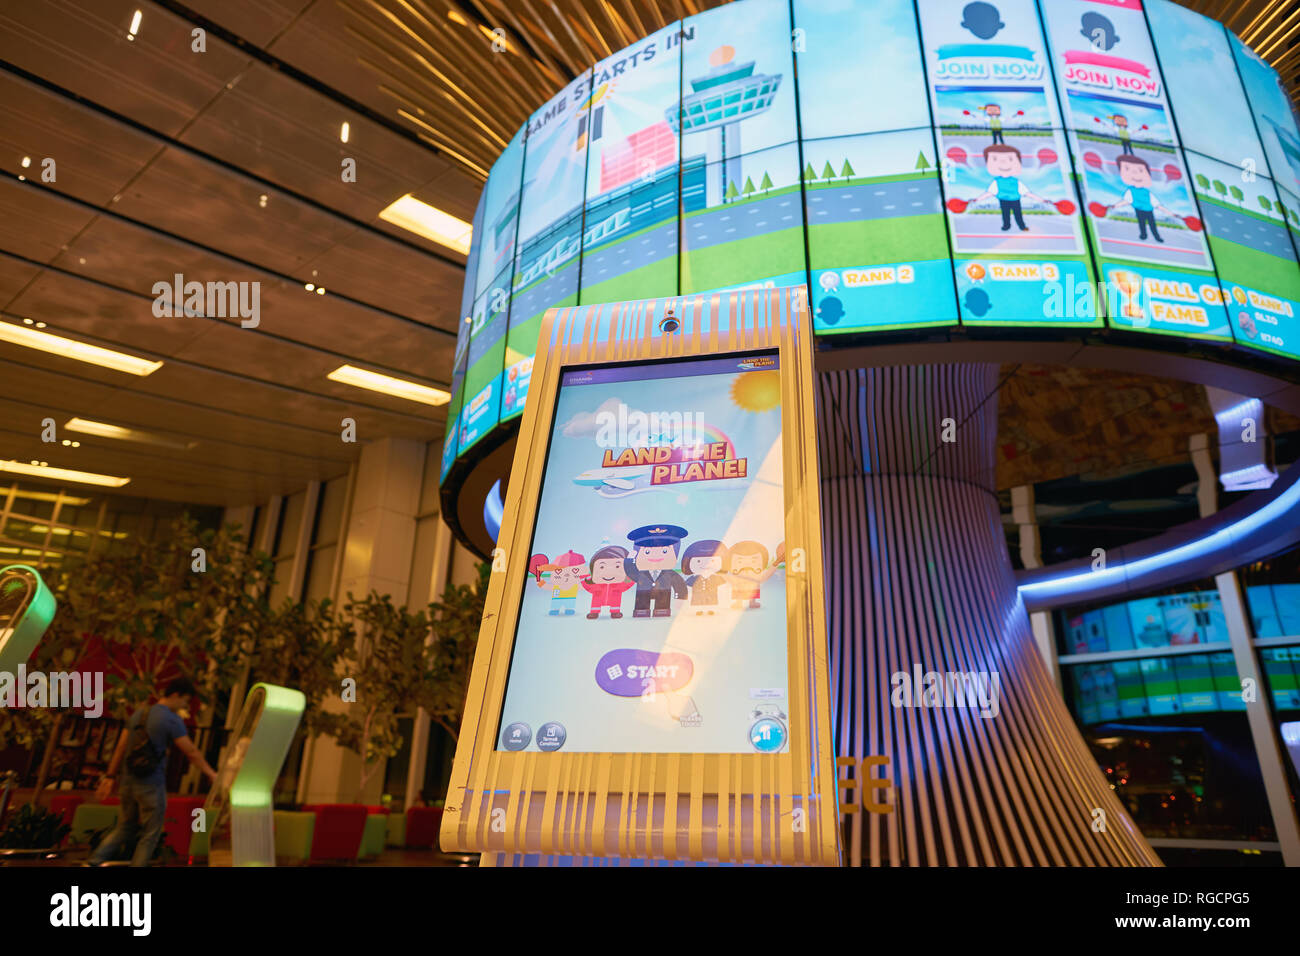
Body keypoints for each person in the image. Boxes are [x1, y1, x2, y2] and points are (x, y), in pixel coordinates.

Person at [90, 677, 217, 866]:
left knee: (125, 827)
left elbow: (120, 747)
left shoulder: (138, 715)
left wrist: (110, 776)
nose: (185, 706)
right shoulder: (171, 719)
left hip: (127, 781)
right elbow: (191, 751)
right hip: (150, 781)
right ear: (176, 695)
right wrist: (211, 773)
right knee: (150, 833)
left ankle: (94, 861)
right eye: (185, 700)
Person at [624, 524, 689, 618]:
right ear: (637, 554)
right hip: (642, 595)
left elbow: (679, 584)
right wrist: (629, 560)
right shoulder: (641, 574)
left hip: (663, 596)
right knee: (642, 602)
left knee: (662, 603)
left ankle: (662, 610)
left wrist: (680, 598)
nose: (655, 556)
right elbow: (631, 572)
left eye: (664, 551)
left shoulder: (670, 574)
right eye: (647, 552)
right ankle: (641, 611)